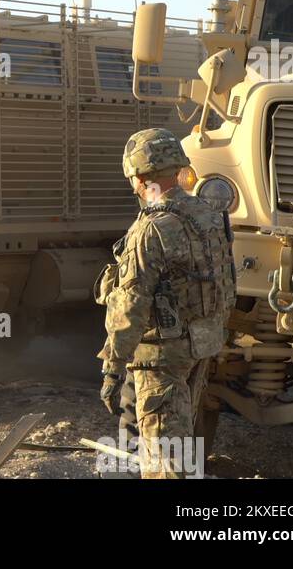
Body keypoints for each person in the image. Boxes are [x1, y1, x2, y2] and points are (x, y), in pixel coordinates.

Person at [95, 129, 236, 479]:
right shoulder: (210, 215)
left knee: (165, 463)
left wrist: (113, 368)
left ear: (141, 178)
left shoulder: (151, 229)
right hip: (200, 345)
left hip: (161, 358)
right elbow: (226, 282)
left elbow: (131, 304)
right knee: (180, 444)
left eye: (133, 181)